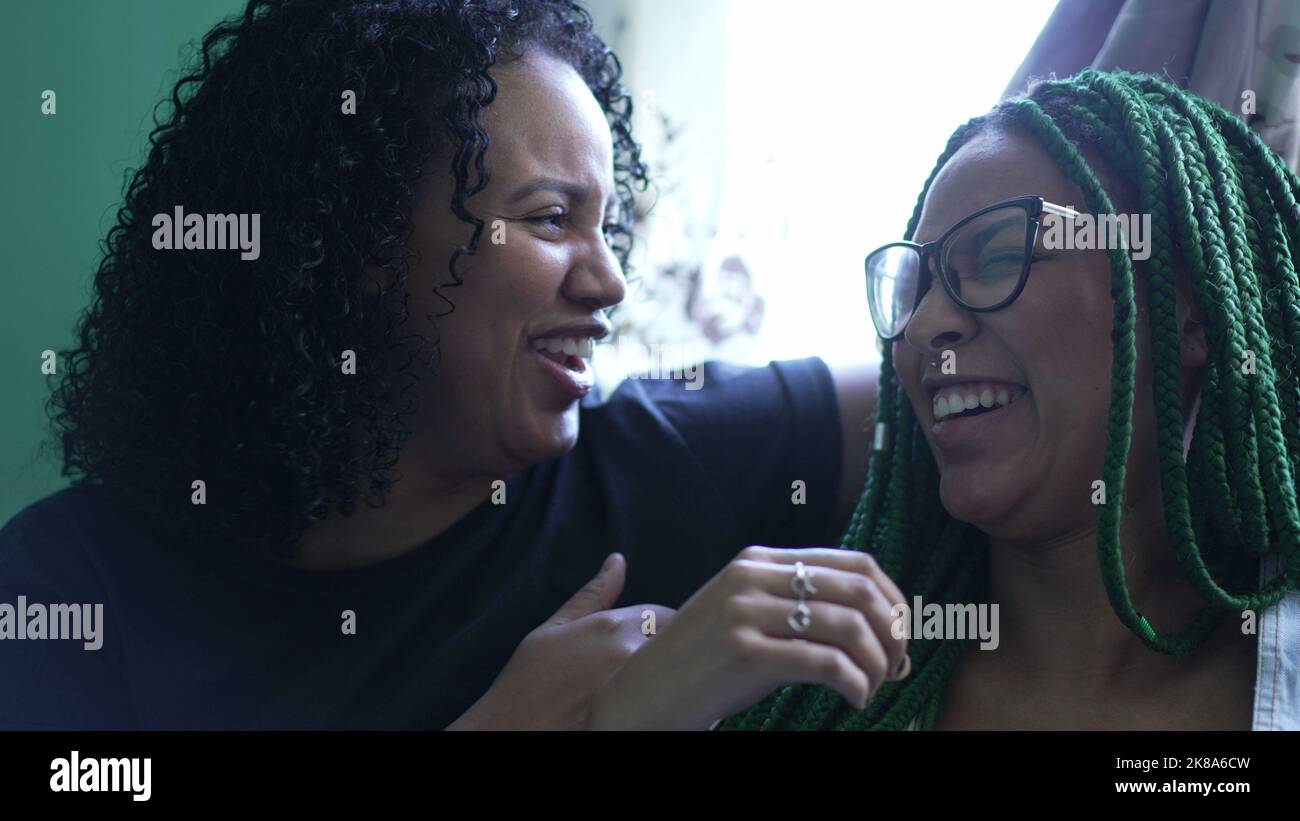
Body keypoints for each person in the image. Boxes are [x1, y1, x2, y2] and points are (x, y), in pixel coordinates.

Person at [0, 0, 909, 730]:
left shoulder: (668, 463)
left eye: (610, 226)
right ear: (356, 243)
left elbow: (980, 378)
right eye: (552, 218)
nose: (611, 281)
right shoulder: (71, 589)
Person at [722, 70, 1300, 730]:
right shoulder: (804, 701)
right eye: (916, 286)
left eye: (997, 257)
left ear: (1186, 310)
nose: (923, 323)